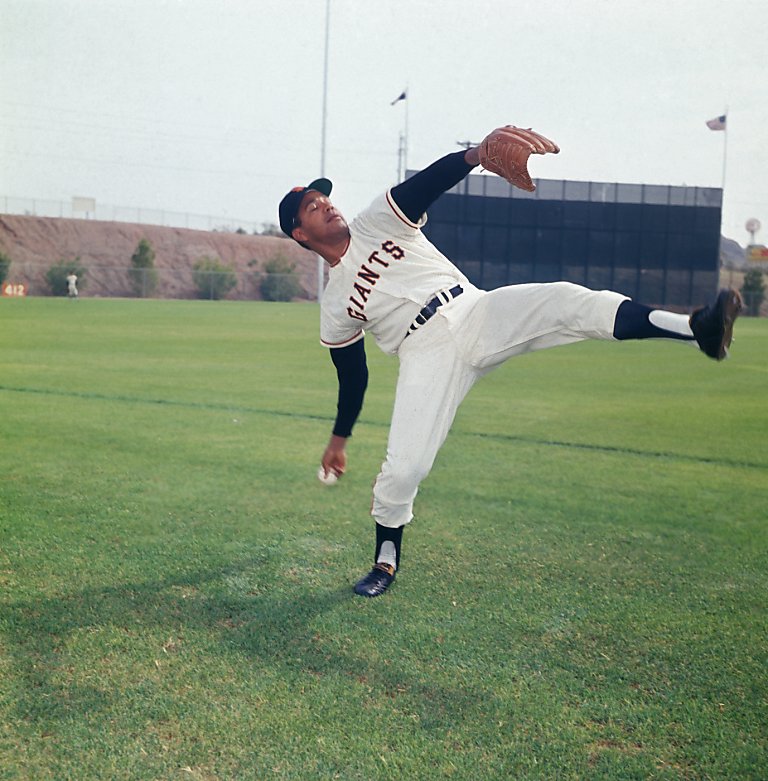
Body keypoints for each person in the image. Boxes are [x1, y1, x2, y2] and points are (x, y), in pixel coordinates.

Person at [278, 128, 742, 598]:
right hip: (425, 353)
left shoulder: (375, 220)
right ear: (300, 234)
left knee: (568, 302)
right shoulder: (334, 305)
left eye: (324, 198)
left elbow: (423, 186)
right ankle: (386, 560)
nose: (327, 205)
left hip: (475, 311)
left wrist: (477, 155)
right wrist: (339, 441)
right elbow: (353, 377)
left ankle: (696, 330)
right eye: (312, 207)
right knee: (404, 468)